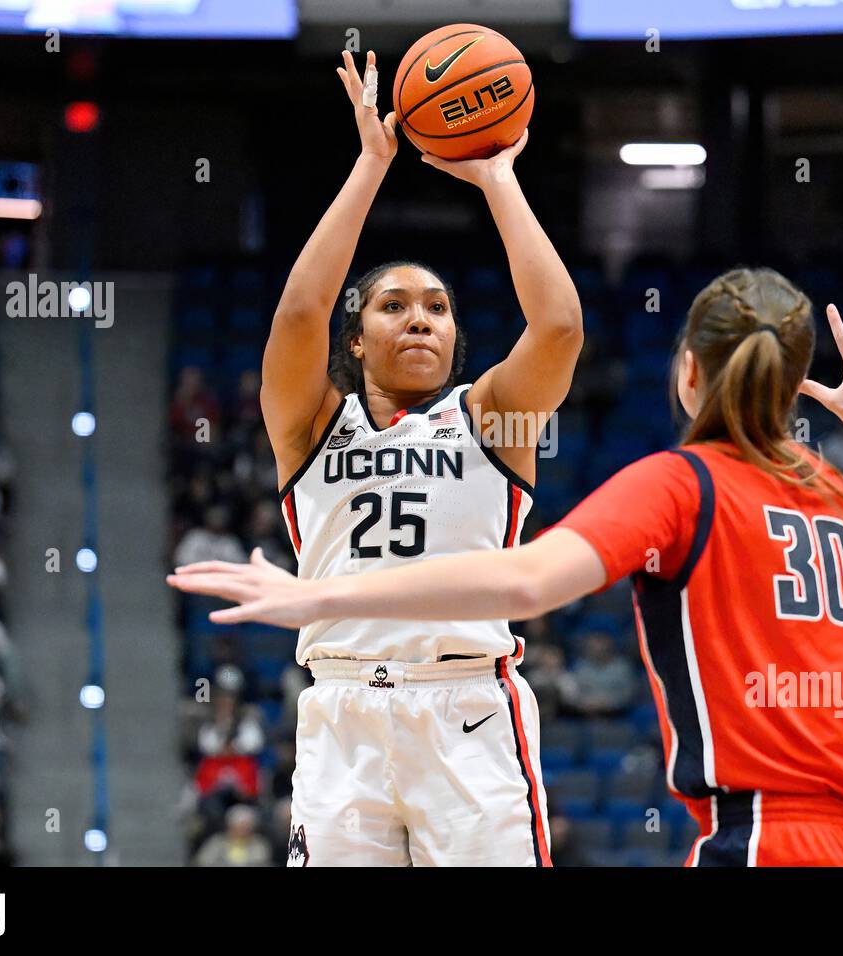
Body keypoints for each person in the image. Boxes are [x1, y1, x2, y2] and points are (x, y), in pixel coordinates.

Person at [170, 272, 843, 867]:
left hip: (772, 836)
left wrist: (320, 594)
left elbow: (521, 581)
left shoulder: (680, 485)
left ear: (688, 372)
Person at [231, 49, 582, 867]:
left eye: (438, 308)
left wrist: (499, 179)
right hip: (342, 710)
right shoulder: (310, 424)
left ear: (458, 339)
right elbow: (298, 312)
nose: (420, 319)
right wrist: (370, 165)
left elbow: (559, 326)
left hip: (468, 709)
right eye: (394, 306)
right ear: (355, 339)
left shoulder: (492, 417)